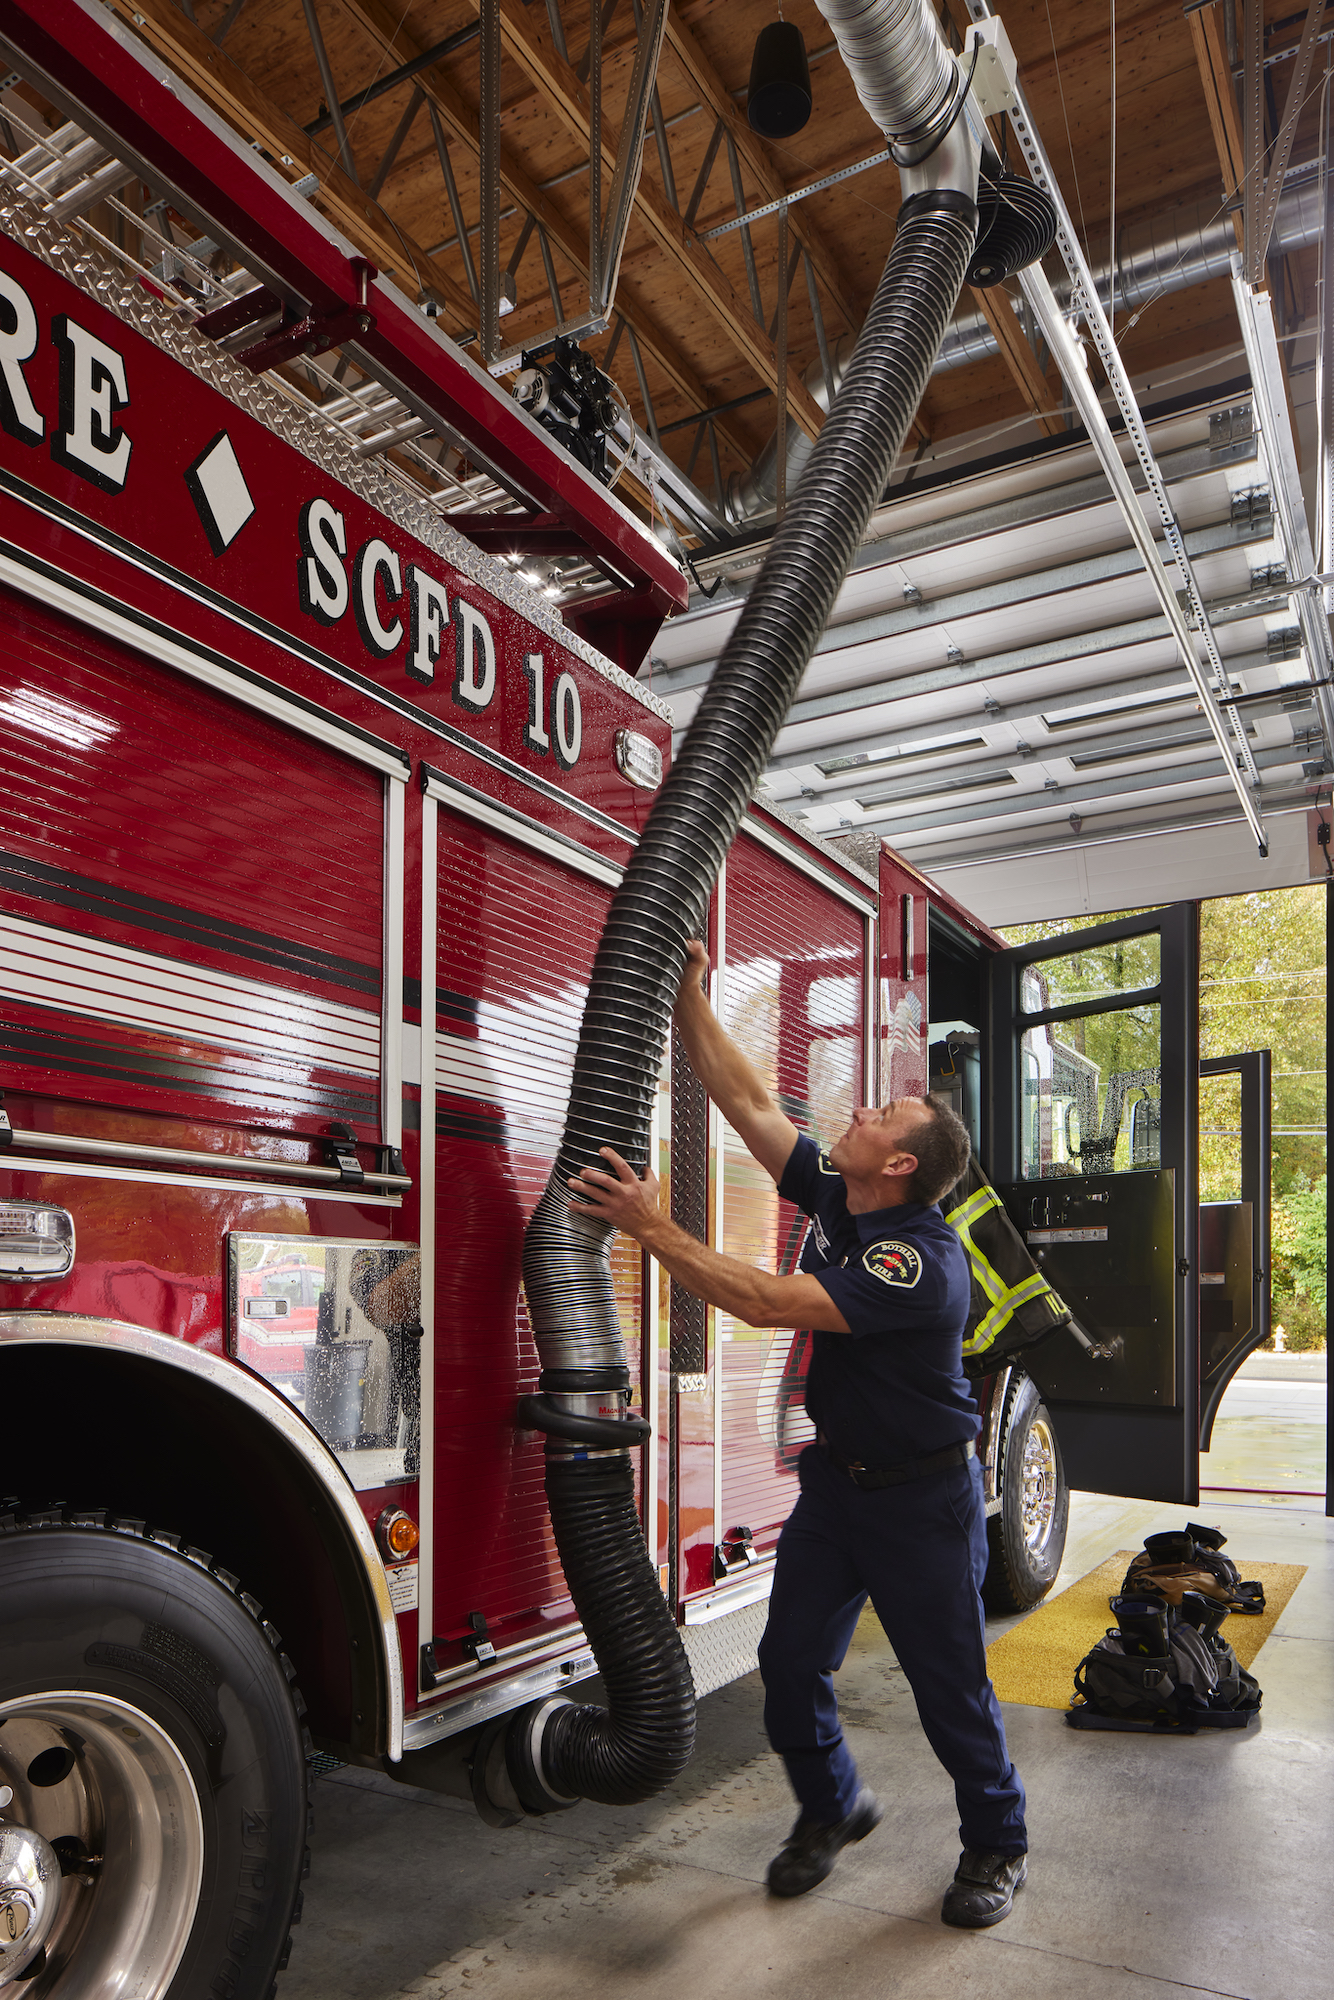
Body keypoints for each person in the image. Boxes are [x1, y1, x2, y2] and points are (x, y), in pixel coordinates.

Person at [567, 939, 1028, 1928]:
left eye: (877, 1117)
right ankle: (830, 1807)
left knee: (948, 1689)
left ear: (898, 1163)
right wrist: (690, 998)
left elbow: (768, 1301)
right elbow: (748, 1105)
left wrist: (652, 1225)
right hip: (837, 1488)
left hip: (921, 1502)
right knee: (787, 1665)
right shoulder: (836, 1190)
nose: (856, 1112)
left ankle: (996, 1841)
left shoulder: (917, 1260)